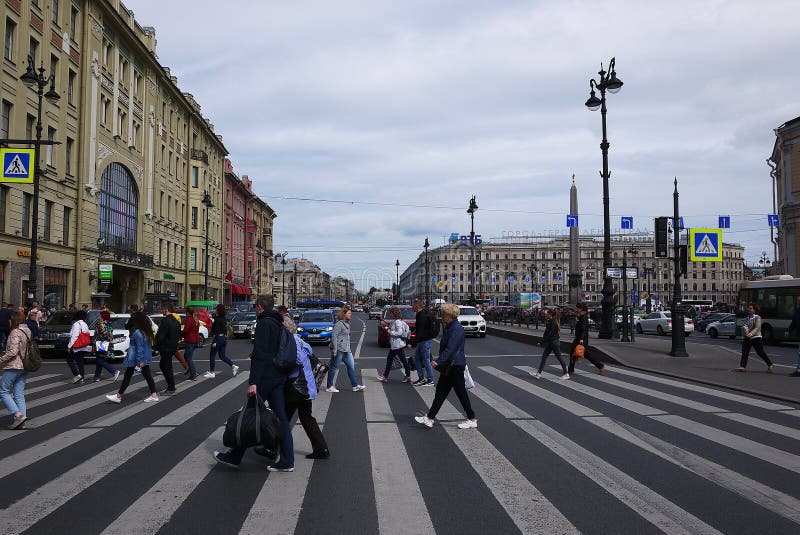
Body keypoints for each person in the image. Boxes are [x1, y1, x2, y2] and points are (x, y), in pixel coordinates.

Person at [213, 294, 295, 472]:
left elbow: (261, 356)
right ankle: (287, 460)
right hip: (278, 376)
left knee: (248, 417)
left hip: (265, 378)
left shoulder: (264, 323)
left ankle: (235, 456)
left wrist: (253, 382)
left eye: (255, 306)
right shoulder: (277, 322)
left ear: (259, 307)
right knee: (281, 420)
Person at [415, 303, 477, 429]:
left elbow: (451, 349)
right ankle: (430, 418)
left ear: (449, 315)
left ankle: (472, 419)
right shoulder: (450, 327)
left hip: (455, 366)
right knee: (441, 392)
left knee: (460, 393)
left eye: (443, 314)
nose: (441, 316)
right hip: (450, 366)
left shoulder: (456, 329)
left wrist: (438, 361)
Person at [286, 326, 329, 459]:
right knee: (306, 418)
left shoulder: (291, 341)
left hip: (297, 386)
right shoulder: (301, 341)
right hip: (307, 385)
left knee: (283, 418)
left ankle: (272, 448)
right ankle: (321, 449)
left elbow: (297, 359)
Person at [105, 311, 159, 403]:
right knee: (144, 375)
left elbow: (139, 347)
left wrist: (140, 360)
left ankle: (119, 396)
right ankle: (153, 395)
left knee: (131, 375)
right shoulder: (146, 331)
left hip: (135, 357)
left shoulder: (138, 332)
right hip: (141, 357)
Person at [0, 310, 32, 429]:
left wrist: (1, 359)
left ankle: (18, 415)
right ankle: (21, 420)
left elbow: (13, 352)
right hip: (25, 365)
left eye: (9, 319)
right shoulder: (27, 330)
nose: (8, 322)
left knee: (2, 391)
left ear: (13, 320)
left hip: (14, 365)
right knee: (18, 393)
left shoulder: (15, 332)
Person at [326, 307, 365, 393]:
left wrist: (348, 349)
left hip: (347, 350)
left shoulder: (347, 323)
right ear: (344, 314)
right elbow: (334, 336)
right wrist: (335, 350)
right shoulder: (339, 324)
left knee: (351, 366)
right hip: (339, 349)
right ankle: (329, 386)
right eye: (349, 313)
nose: (351, 315)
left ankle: (355, 386)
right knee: (333, 367)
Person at [567, 302, 605, 376]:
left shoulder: (583, 317)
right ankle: (600, 366)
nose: (576, 309)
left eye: (578, 308)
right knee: (582, 354)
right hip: (580, 338)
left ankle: (600, 366)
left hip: (581, 339)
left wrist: (581, 339)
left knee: (576, 353)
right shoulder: (581, 316)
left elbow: (584, 329)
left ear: (581, 309)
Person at [531, 308, 569, 380]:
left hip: (554, 343)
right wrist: (542, 341)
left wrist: (542, 341)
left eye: (547, 314)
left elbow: (550, 334)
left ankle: (566, 373)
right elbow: (546, 333)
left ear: (550, 314)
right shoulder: (550, 321)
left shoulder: (553, 322)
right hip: (551, 342)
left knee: (559, 358)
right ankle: (538, 374)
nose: (546, 315)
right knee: (544, 357)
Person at [735, 303, 775, 373]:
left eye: (751, 308)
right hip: (747, 337)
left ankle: (770, 364)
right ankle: (742, 367)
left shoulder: (757, 317)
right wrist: (744, 330)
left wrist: (750, 334)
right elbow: (745, 326)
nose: (749, 309)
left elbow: (757, 328)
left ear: (754, 310)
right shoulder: (748, 317)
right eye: (749, 308)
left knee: (760, 352)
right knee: (744, 352)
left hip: (756, 337)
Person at [378, 307, 412, 384]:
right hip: (398, 344)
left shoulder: (397, 322)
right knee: (403, 360)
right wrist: (387, 328)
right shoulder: (398, 321)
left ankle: (385, 376)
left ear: (394, 314)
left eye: (391, 313)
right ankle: (408, 376)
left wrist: (390, 332)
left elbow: (399, 332)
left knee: (389, 360)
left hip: (396, 344)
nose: (390, 314)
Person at [154, 303, 182, 395]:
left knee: (166, 367)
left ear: (166, 310)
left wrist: (155, 346)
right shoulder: (176, 321)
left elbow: (161, 336)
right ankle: (171, 386)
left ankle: (171, 387)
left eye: (162, 309)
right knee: (165, 366)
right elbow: (179, 334)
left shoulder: (165, 321)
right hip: (173, 347)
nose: (162, 311)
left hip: (166, 347)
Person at [206, 304, 238, 378]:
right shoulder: (223, 319)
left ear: (218, 310)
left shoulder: (217, 320)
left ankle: (212, 372)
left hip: (218, 338)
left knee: (212, 355)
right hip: (223, 338)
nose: (215, 310)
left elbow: (216, 331)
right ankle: (233, 366)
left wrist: (215, 342)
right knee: (222, 356)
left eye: (216, 309)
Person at [410, 300, 436, 386]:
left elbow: (420, 331)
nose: (412, 307)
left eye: (413, 305)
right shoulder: (420, 314)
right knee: (417, 359)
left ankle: (430, 380)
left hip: (425, 341)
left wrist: (412, 342)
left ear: (417, 306)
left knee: (426, 360)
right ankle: (421, 378)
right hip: (422, 340)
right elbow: (419, 329)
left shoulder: (422, 316)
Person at [92, 310, 120, 382]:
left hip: (101, 344)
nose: (99, 317)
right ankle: (97, 376)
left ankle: (114, 371)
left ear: (103, 316)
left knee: (100, 360)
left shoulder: (101, 324)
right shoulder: (109, 323)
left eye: (100, 316)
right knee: (100, 359)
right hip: (107, 344)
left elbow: (103, 334)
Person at [67, 309, 93, 384]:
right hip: (83, 346)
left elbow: (74, 336)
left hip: (76, 347)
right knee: (80, 362)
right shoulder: (85, 324)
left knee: (69, 360)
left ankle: (77, 375)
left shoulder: (76, 324)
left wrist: (69, 346)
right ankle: (82, 378)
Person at [182, 307, 200, 380]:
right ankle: (191, 369)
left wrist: (181, 334)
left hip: (189, 339)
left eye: (186, 312)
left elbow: (186, 330)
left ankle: (193, 373)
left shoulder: (189, 319)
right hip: (195, 339)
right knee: (187, 356)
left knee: (188, 357)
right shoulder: (196, 320)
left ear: (188, 312)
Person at [787, 297, 800, 377]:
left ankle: (798, 371)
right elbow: (794, 322)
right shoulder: (798, 310)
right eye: (798, 300)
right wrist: (788, 331)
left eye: (799, 301)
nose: (798, 302)